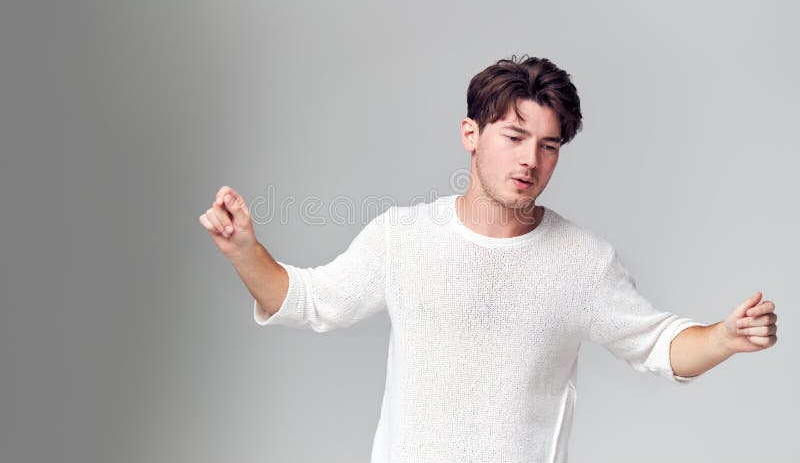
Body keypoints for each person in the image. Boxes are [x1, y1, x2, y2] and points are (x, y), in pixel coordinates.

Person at [199, 55, 778, 463]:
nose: (531, 160)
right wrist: (245, 251)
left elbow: (660, 345)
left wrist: (724, 338)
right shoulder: (404, 238)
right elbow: (305, 302)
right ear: (470, 134)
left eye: (549, 146)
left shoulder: (582, 262)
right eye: (514, 136)